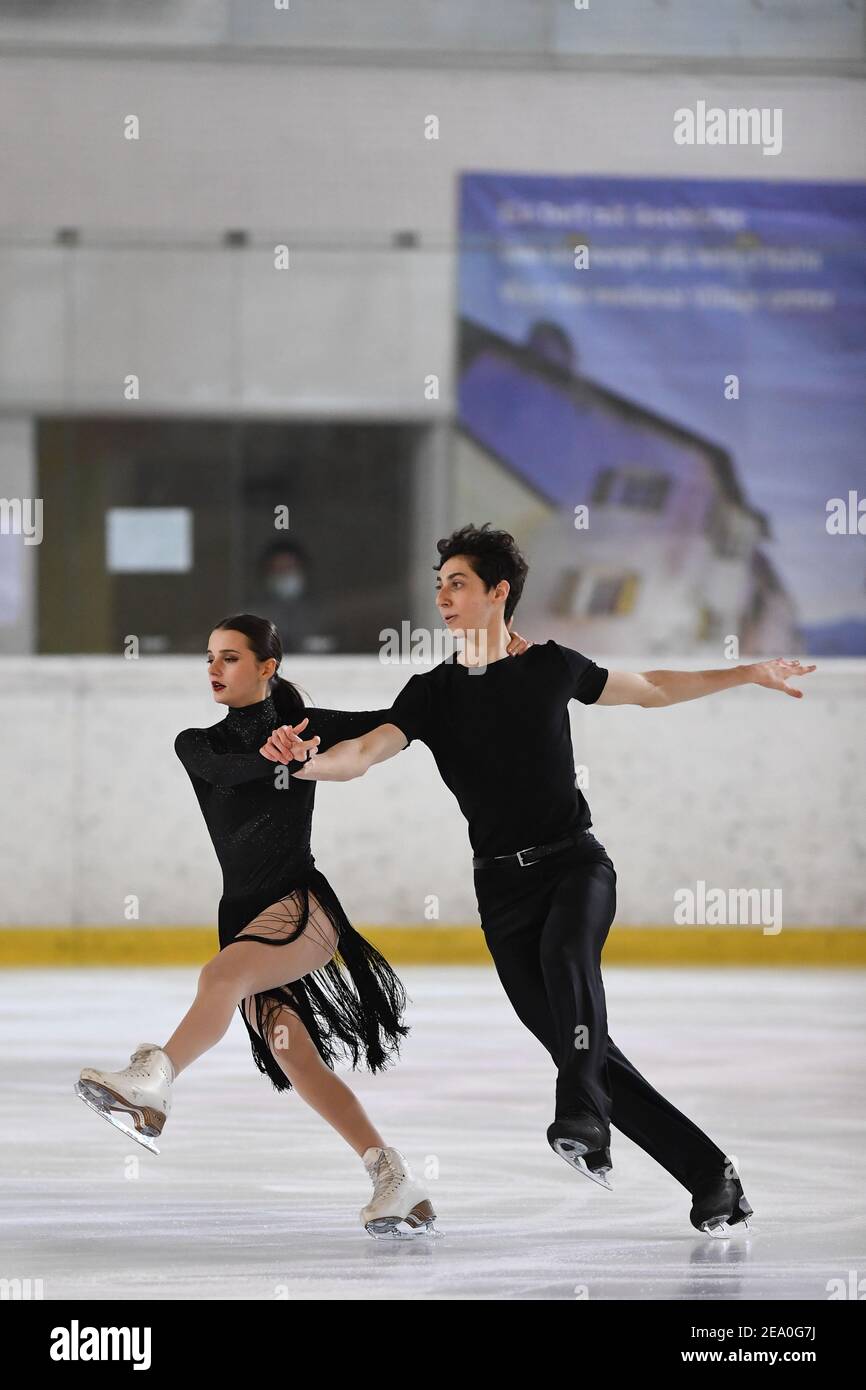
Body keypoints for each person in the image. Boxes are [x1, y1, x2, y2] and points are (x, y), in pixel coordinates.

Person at [269, 523, 816, 1237]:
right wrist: (303, 764)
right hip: (500, 893)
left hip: (574, 866)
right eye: (439, 585)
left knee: (568, 963)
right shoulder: (431, 693)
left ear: (499, 593)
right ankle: (712, 1178)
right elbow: (363, 754)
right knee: (578, 1045)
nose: (444, 596)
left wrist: (745, 672)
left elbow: (651, 687)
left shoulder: (553, 666)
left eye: (458, 583)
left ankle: (582, 1117)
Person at [75, 614, 441, 1238]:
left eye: (231, 658)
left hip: (302, 909)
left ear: (267, 666)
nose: (214, 668)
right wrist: (276, 758)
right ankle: (394, 1180)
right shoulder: (198, 743)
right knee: (294, 1055)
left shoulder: (311, 728)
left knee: (218, 977)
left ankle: (154, 1081)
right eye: (210, 657)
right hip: (243, 916)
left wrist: (445, 694)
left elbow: (395, 728)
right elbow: (227, 773)